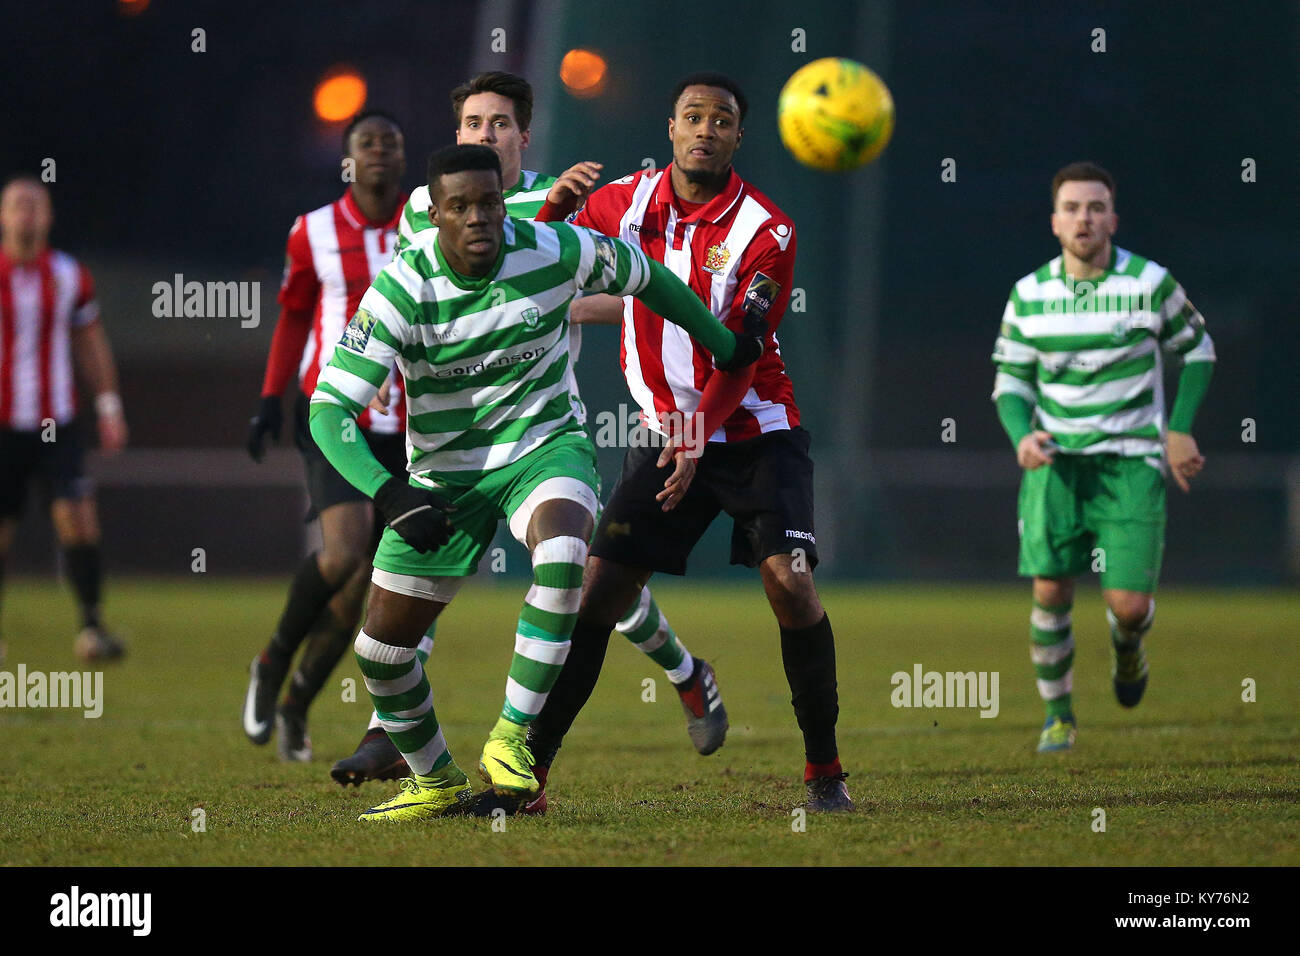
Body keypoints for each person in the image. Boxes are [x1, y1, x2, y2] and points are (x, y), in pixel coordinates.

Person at [308, 143, 759, 821]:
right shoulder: (403, 286)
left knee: (563, 555)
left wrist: (724, 345)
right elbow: (328, 410)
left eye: (489, 202)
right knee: (380, 654)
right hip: (443, 478)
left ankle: (511, 738)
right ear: (434, 216)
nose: (480, 217)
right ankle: (435, 781)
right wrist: (390, 492)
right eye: (460, 207)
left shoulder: (553, 248)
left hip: (544, 447)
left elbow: (647, 277)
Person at [523, 71, 853, 813]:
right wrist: (557, 208)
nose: (706, 129)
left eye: (722, 120)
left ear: (740, 137)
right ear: (670, 129)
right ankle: (529, 780)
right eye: (692, 116)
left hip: (756, 431)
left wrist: (702, 431)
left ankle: (824, 772)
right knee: (597, 594)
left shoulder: (767, 231)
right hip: (671, 437)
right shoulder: (625, 202)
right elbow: (544, 261)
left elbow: (742, 350)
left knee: (790, 583)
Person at [991, 161, 1215, 752]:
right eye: (1072, 208)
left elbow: (1199, 350)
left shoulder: (1149, 282)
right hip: (1056, 465)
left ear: (1112, 217)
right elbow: (1011, 379)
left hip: (1129, 464)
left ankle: (1128, 644)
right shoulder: (1029, 294)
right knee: (1050, 591)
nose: (1083, 218)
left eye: (1095, 207)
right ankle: (1058, 716)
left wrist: (1180, 430)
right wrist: (1021, 435)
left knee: (1130, 605)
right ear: (1054, 221)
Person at [242, 110, 412, 762]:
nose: (378, 153)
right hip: (334, 412)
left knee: (367, 585)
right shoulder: (310, 232)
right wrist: (267, 400)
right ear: (348, 159)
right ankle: (272, 659)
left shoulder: (424, 225)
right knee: (343, 553)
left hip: (407, 423)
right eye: (367, 143)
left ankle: (296, 702)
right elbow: (291, 318)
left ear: (401, 160)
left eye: (390, 144)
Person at [0, 175, 128, 664]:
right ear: (4, 216)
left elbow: (90, 343)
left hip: (59, 420)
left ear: (49, 217)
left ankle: (91, 627)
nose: (27, 214)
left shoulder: (70, 274)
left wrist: (109, 406)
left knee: (77, 519)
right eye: (17, 205)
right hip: (3, 423)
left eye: (36, 205)